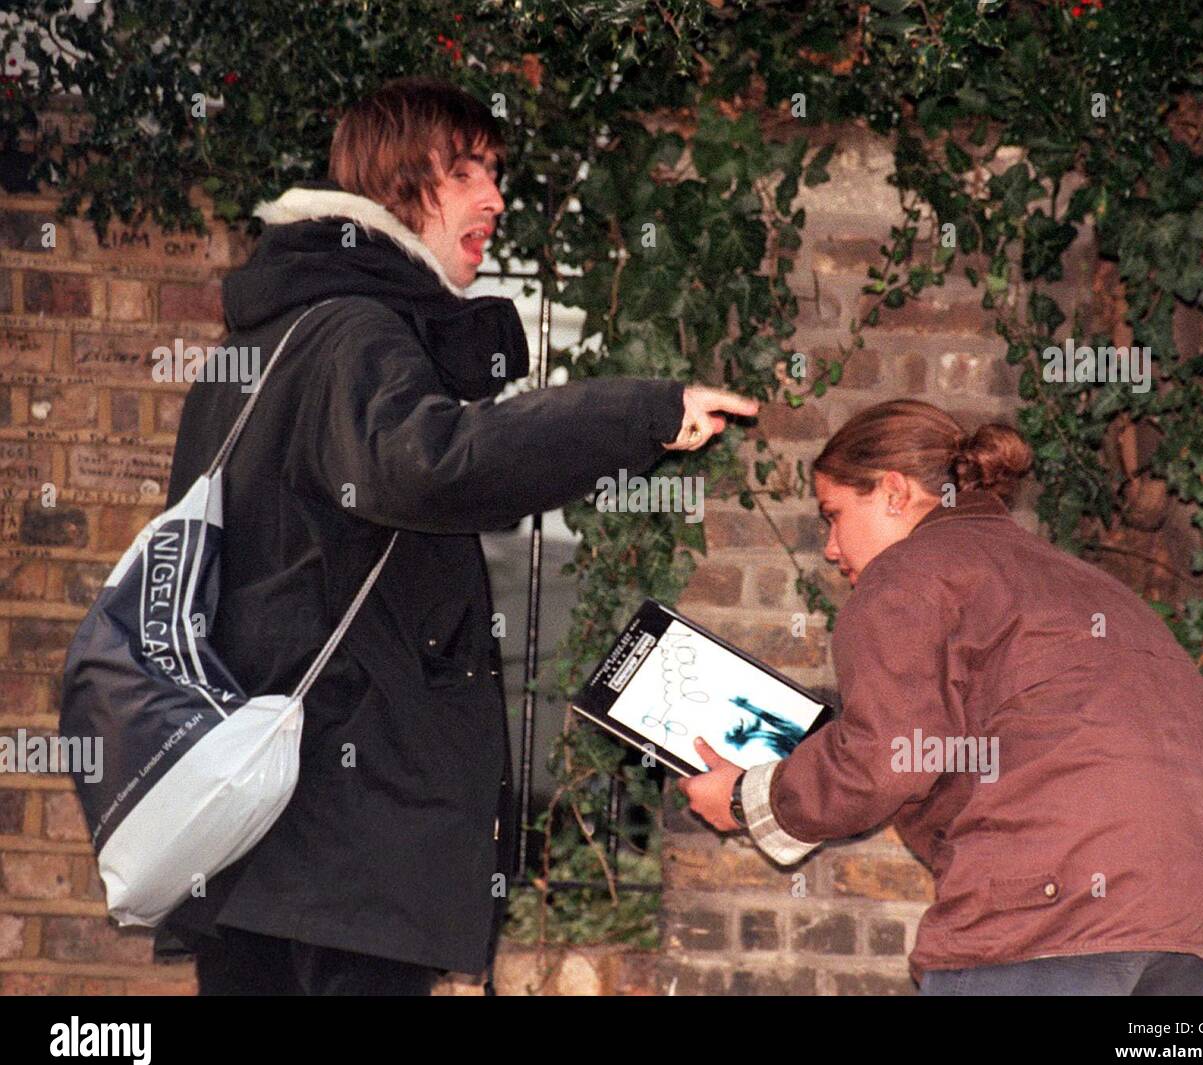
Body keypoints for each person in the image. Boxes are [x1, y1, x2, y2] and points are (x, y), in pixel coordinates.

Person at [158, 76, 758, 996]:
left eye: (499, 172)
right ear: (402, 184)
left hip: (253, 821)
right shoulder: (355, 333)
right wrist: (640, 413)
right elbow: (431, 464)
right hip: (342, 826)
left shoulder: (266, 342)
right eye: (469, 170)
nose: (496, 198)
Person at [681, 398, 1203, 996]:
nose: (831, 550)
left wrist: (747, 797)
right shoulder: (1070, 575)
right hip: (1197, 901)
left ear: (892, 492)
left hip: (1061, 897)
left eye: (833, 515)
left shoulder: (909, 571)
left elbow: (884, 759)